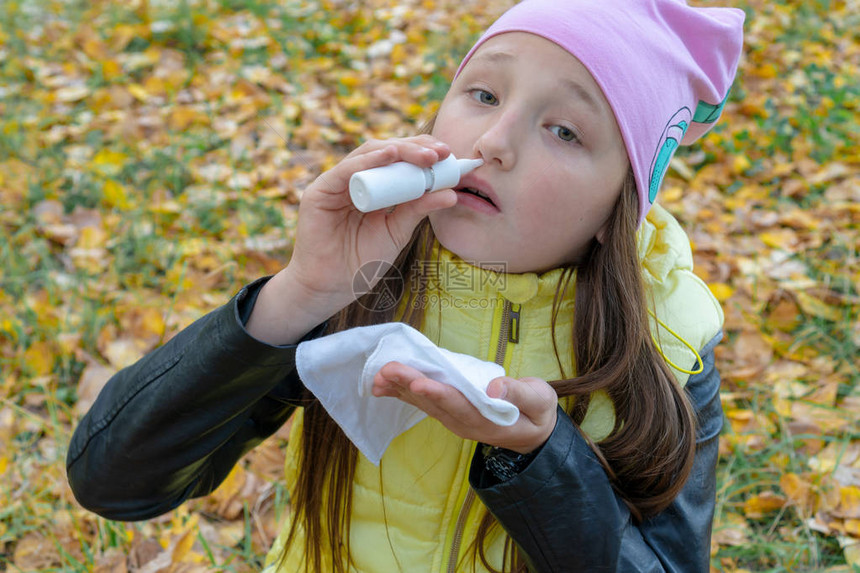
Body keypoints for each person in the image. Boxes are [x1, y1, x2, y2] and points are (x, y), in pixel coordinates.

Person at [67, 1, 745, 571]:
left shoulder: (670, 340)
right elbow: (114, 481)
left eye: (563, 129)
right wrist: (300, 293)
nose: (494, 140)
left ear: (618, 208)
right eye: (483, 93)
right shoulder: (364, 278)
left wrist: (540, 460)